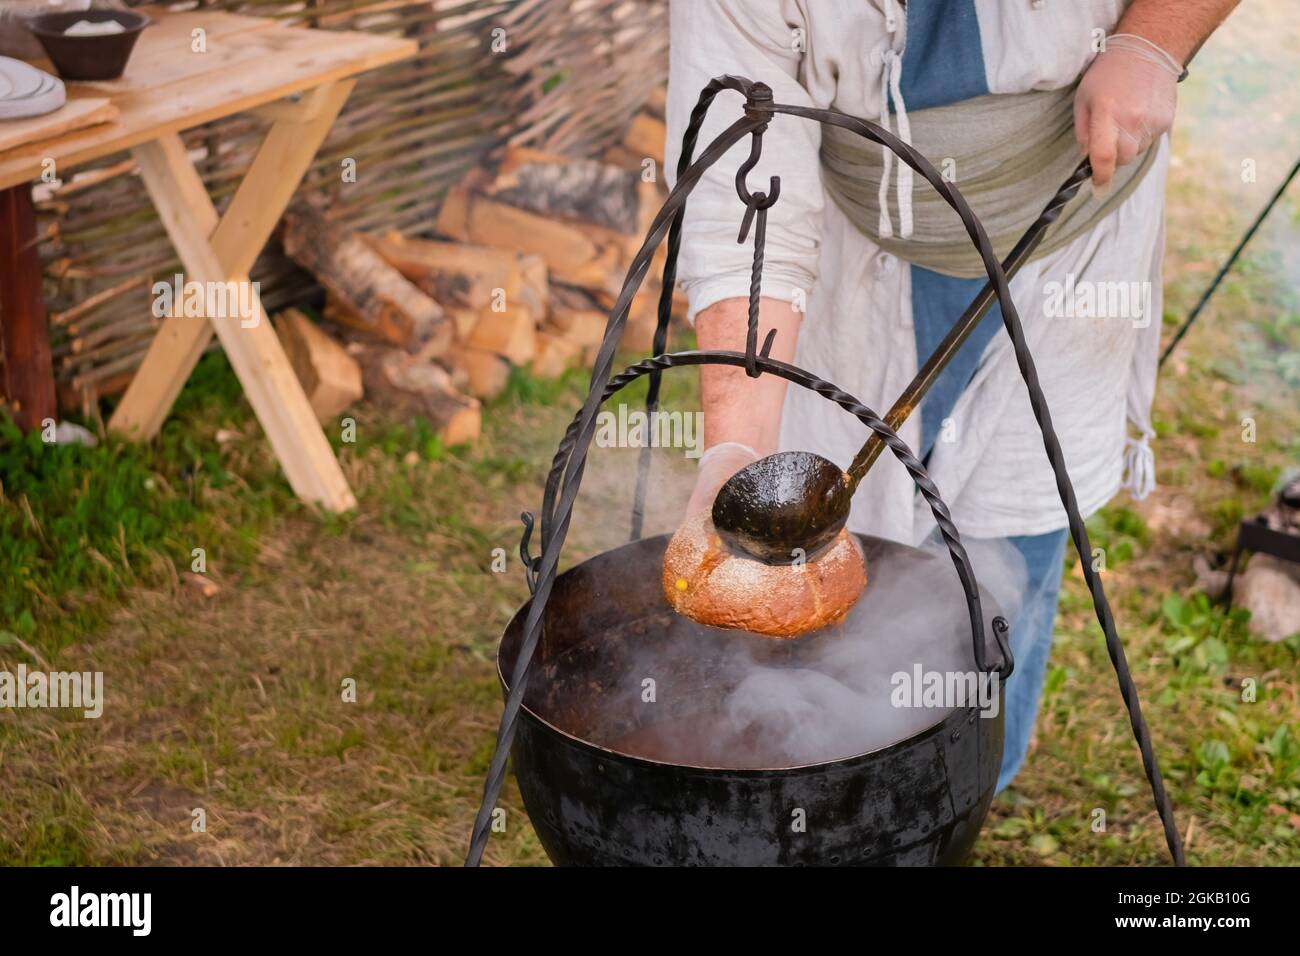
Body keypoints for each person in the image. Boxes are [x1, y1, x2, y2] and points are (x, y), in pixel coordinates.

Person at [666, 0, 1240, 791]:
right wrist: (734, 449)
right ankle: (838, 776)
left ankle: (968, 783)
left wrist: (1151, 40)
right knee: (843, 540)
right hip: (864, 236)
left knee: (1012, 538)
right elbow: (743, 200)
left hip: (1067, 213)